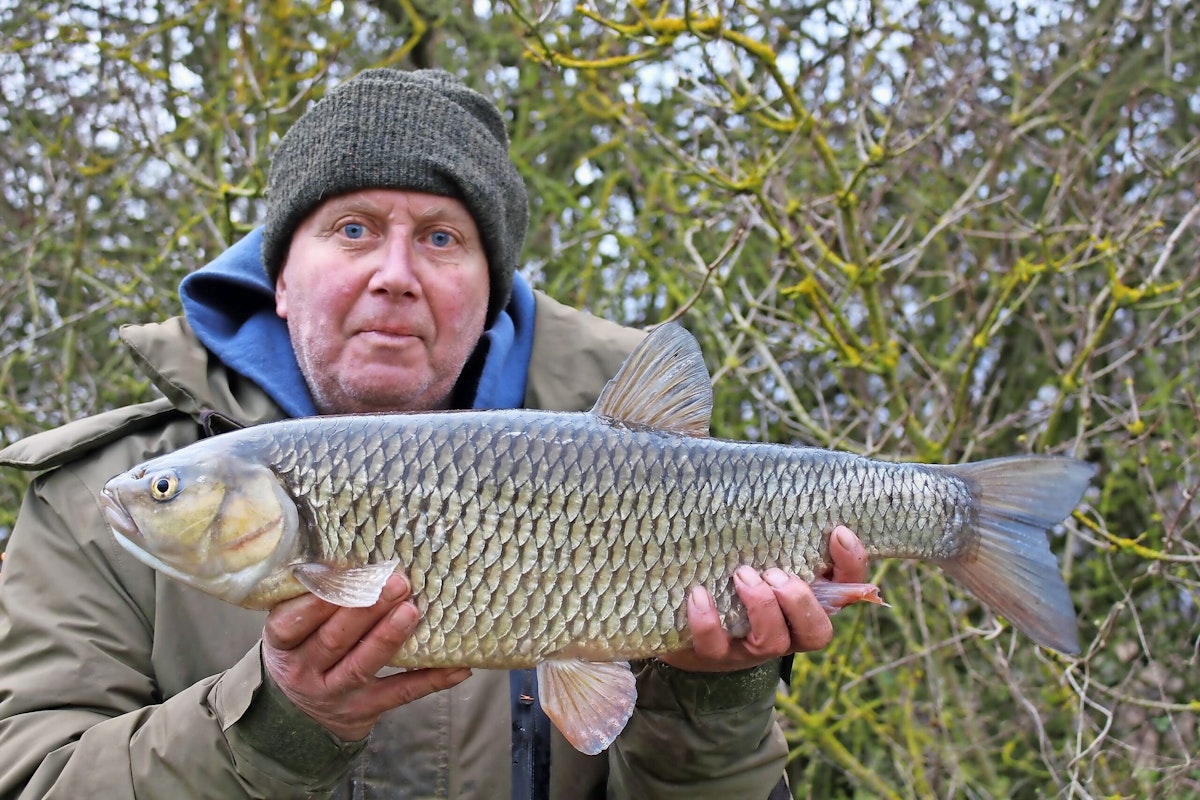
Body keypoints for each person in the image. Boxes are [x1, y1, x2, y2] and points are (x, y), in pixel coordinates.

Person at [0, 68, 869, 799]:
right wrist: (275, 727)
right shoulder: (87, 504)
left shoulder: (632, 466)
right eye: (353, 229)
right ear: (280, 279)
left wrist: (712, 702)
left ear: (491, 290)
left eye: (442, 238)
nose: (396, 274)